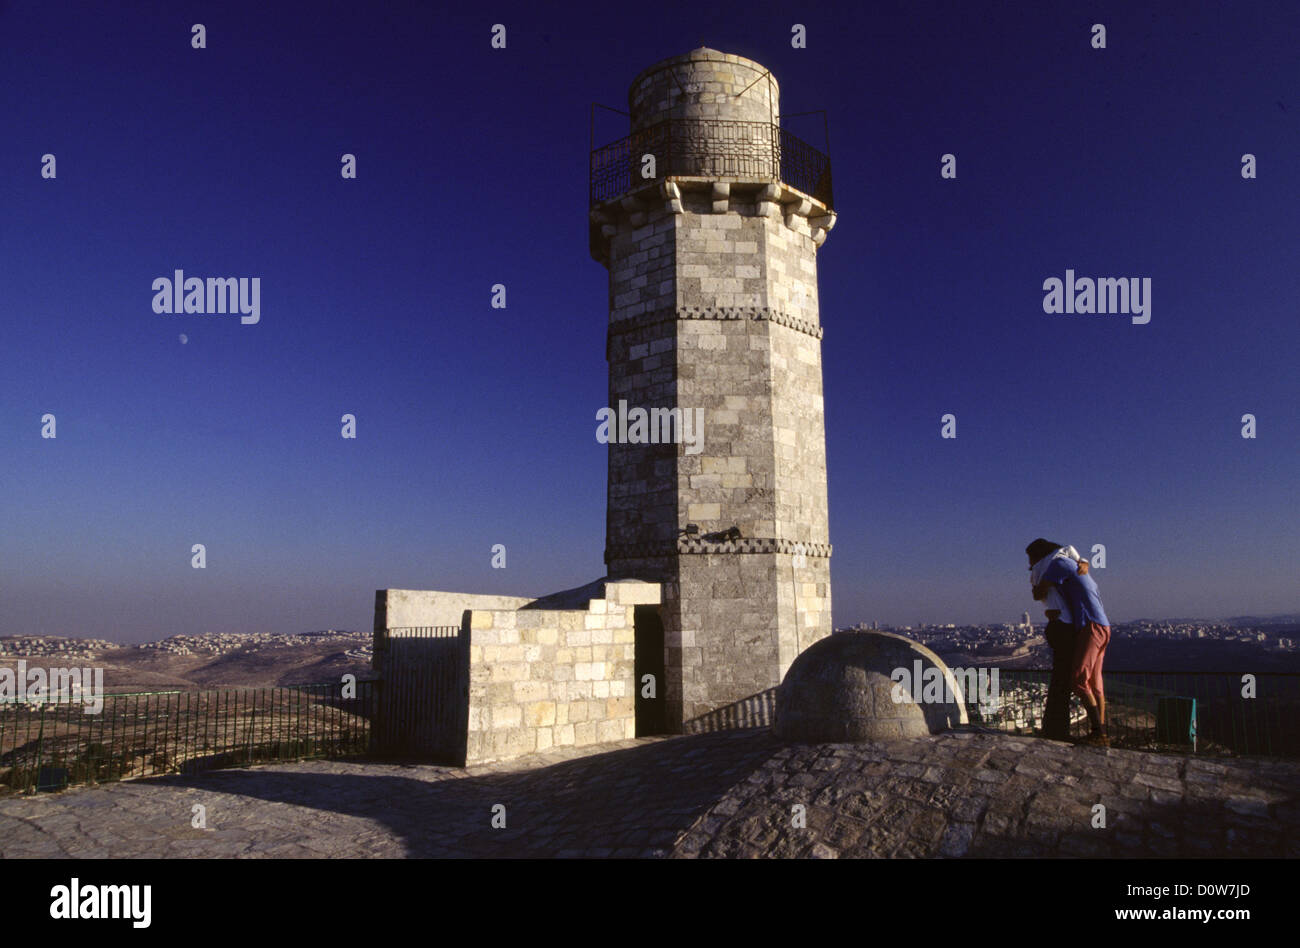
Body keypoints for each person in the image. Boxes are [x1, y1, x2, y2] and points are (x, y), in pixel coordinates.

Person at [1031, 538, 1112, 746]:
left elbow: (1038, 593)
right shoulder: (1071, 563)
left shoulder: (1057, 565)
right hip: (1103, 625)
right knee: (1095, 683)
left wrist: (1037, 577)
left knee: (1078, 680)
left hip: (1089, 625)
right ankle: (1102, 732)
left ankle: (1098, 733)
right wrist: (1083, 561)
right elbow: (1077, 558)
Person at [1024, 539, 1088, 740]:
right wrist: (1082, 562)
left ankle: (1054, 728)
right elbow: (1074, 553)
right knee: (1063, 681)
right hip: (1064, 627)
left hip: (1058, 625)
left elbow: (1037, 594)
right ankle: (1057, 730)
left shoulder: (1044, 567)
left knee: (1060, 681)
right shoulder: (1055, 561)